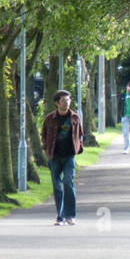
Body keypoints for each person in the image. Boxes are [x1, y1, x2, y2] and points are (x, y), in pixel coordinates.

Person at [41, 90, 83, 225]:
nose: (67, 102)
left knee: (68, 182)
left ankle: (70, 215)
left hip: (69, 156)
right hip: (54, 156)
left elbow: (80, 134)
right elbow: (44, 134)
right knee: (57, 186)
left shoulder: (75, 117)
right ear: (57, 103)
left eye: (68, 100)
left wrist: (78, 146)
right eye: (64, 100)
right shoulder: (49, 118)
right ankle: (60, 216)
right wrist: (47, 148)